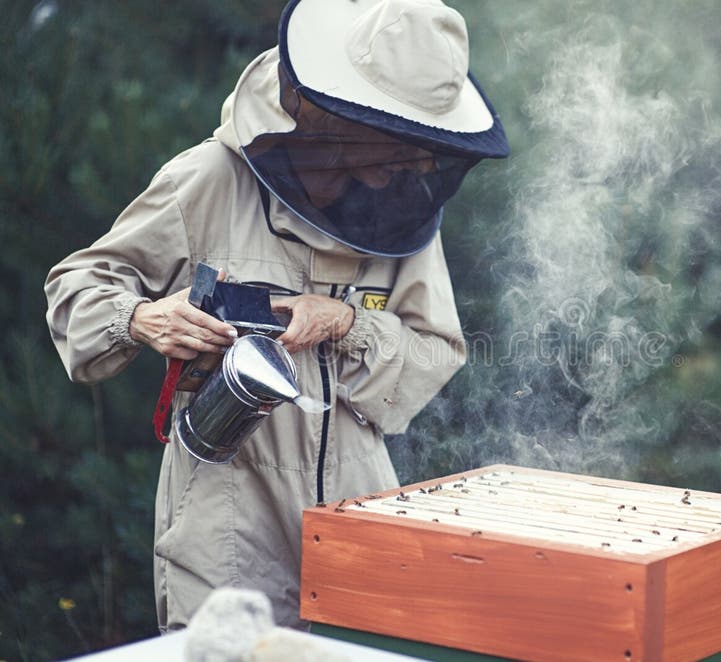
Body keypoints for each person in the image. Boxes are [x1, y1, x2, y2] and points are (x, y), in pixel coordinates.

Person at [44, 0, 508, 631]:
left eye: (420, 141)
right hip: (226, 518)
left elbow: (436, 349)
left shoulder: (404, 215)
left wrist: (346, 323)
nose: (411, 162)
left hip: (360, 515)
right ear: (341, 112)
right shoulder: (210, 178)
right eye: (398, 136)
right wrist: (143, 318)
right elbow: (78, 285)